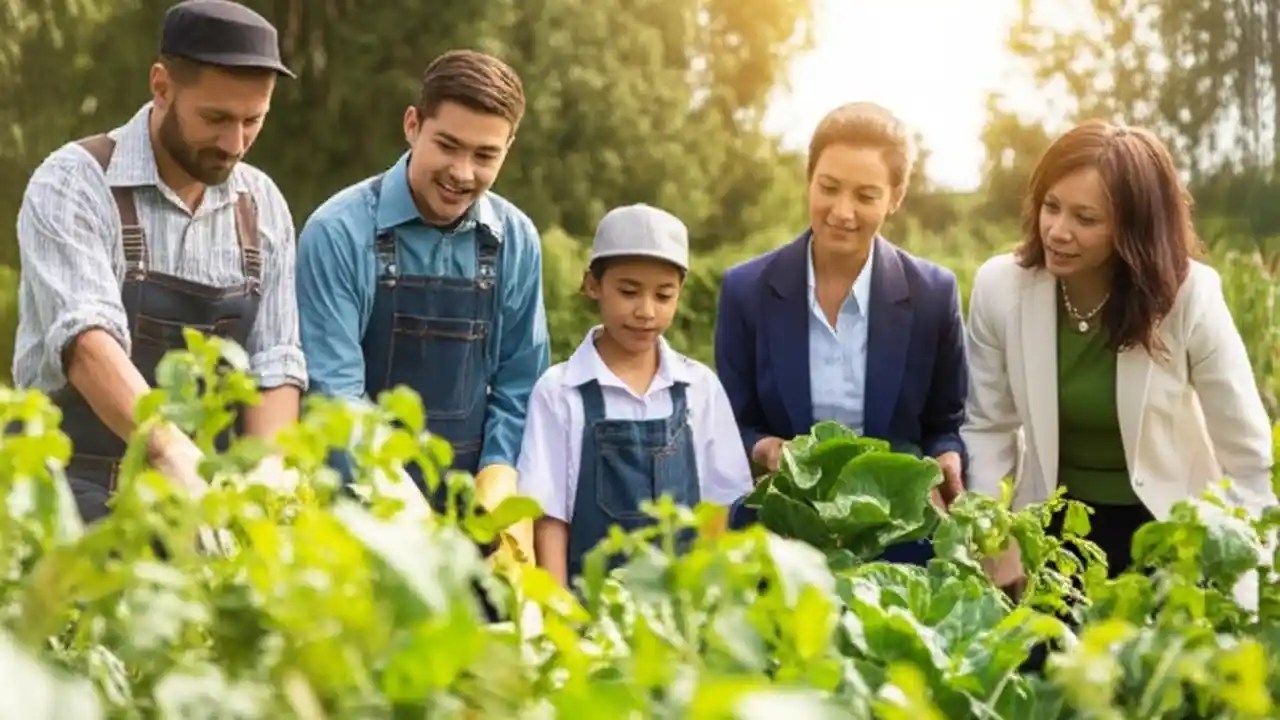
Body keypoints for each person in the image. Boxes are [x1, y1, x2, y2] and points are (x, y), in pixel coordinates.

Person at [12, 0, 305, 524]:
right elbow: (86, 342)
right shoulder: (74, 184)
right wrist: (170, 452)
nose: (234, 143)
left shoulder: (262, 207)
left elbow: (275, 363)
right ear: (162, 86)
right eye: (215, 118)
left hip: (197, 504)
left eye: (252, 120)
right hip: (65, 489)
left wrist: (267, 478)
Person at [961, 120, 1276, 598]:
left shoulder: (1189, 295)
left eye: (1086, 219)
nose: (1058, 231)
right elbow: (988, 427)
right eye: (1051, 207)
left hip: (1168, 532)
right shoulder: (1000, 287)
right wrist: (995, 539)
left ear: (1134, 227)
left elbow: (1245, 452)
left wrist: (1249, 575)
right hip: (1055, 532)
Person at [295, 49, 549, 564]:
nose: (462, 172)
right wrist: (409, 520)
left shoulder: (516, 241)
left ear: (509, 149)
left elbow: (521, 386)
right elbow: (334, 396)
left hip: (471, 526)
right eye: (448, 145)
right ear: (413, 125)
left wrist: (495, 488)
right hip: (357, 517)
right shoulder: (339, 232)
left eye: (485, 155)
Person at [713, 102, 968, 565]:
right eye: (828, 188)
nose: (842, 211)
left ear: (895, 198)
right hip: (782, 532)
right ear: (809, 180)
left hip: (897, 536)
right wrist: (766, 449)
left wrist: (948, 460)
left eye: (866, 196)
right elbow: (734, 421)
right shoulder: (745, 290)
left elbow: (944, 423)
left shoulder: (932, 294)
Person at [515, 204, 753, 585]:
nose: (645, 311)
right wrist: (558, 617)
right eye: (628, 291)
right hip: (591, 617)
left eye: (663, 295)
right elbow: (549, 519)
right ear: (593, 284)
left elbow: (718, 510)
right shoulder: (560, 392)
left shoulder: (699, 388)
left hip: (681, 615)